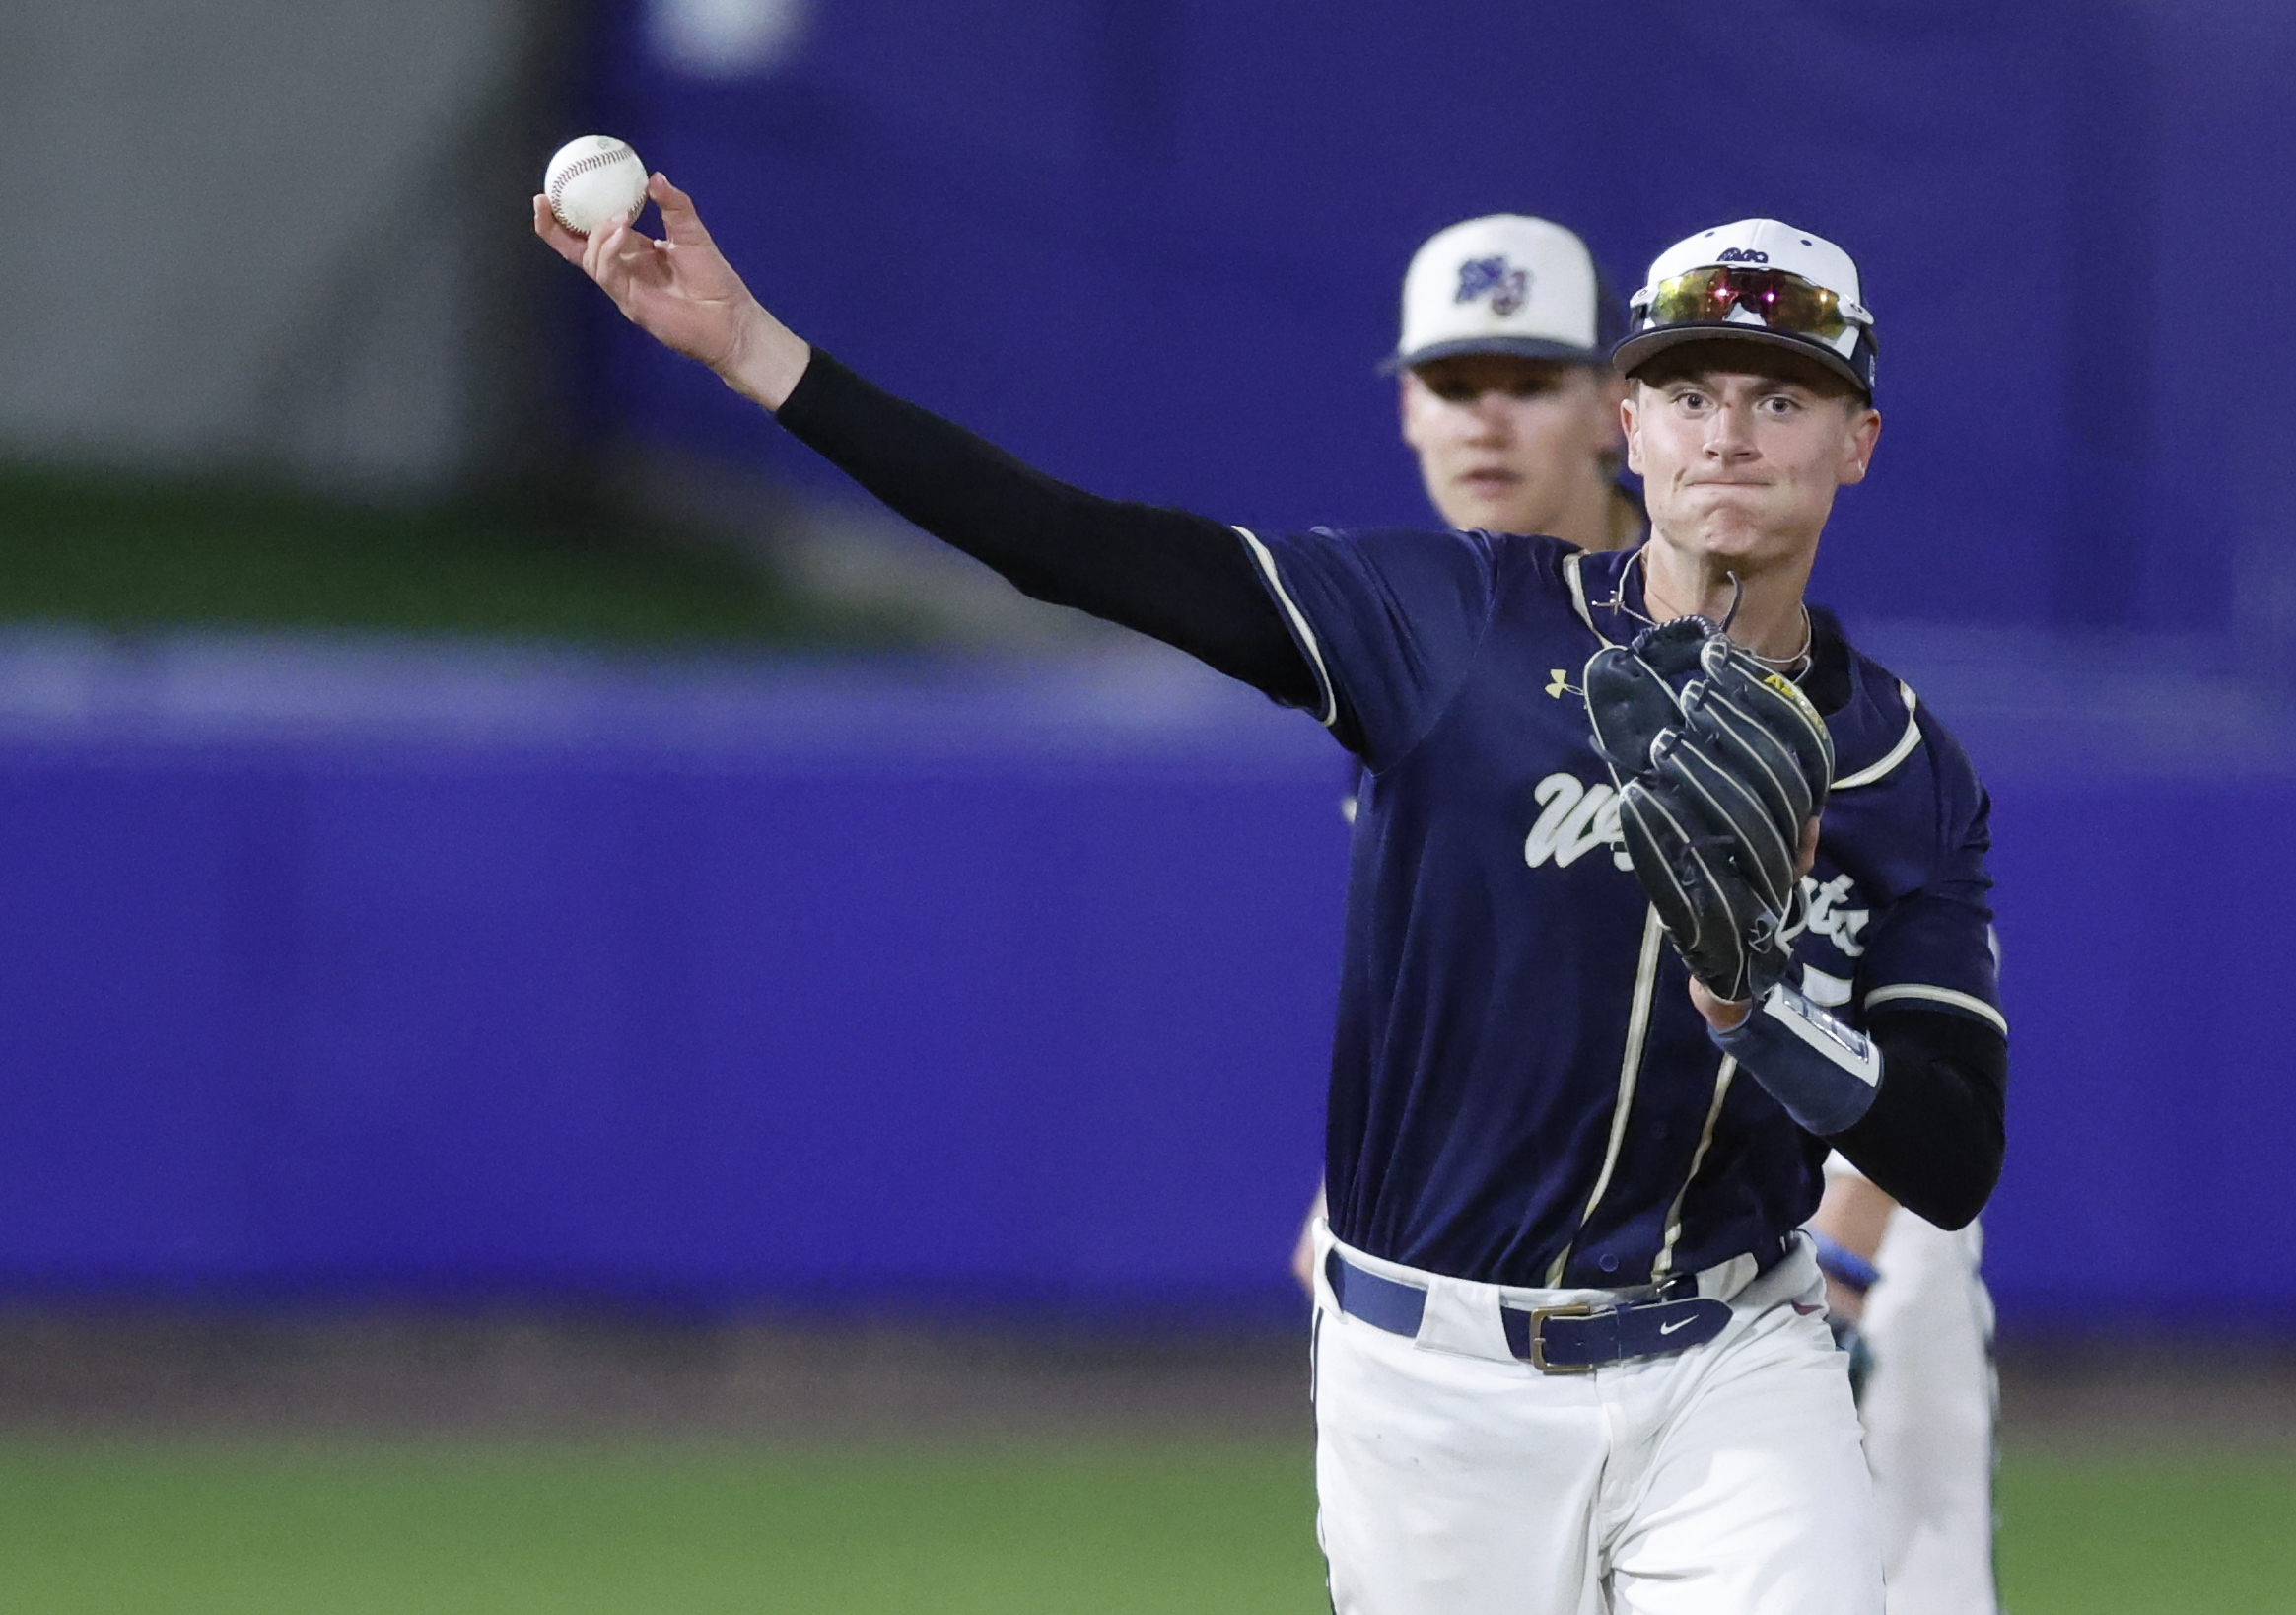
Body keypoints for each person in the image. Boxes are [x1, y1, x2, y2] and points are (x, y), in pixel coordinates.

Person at [537, 182, 2008, 1613]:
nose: (1731, 434)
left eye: (1783, 397)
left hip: (1732, 1358)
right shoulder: (1452, 624)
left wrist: (1763, 1013)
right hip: (1434, 1382)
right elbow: (1072, 544)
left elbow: (1951, 1150)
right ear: (1631, 422)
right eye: (1691, 393)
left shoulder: (1897, 763)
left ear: (1857, 439)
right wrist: (757, 356)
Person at [1385, 214, 1641, 552]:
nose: (1486, 432)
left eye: (1531, 388)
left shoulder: (1722, 591)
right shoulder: (1375, 601)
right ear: (1409, 408)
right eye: (1454, 391)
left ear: (1614, 408)